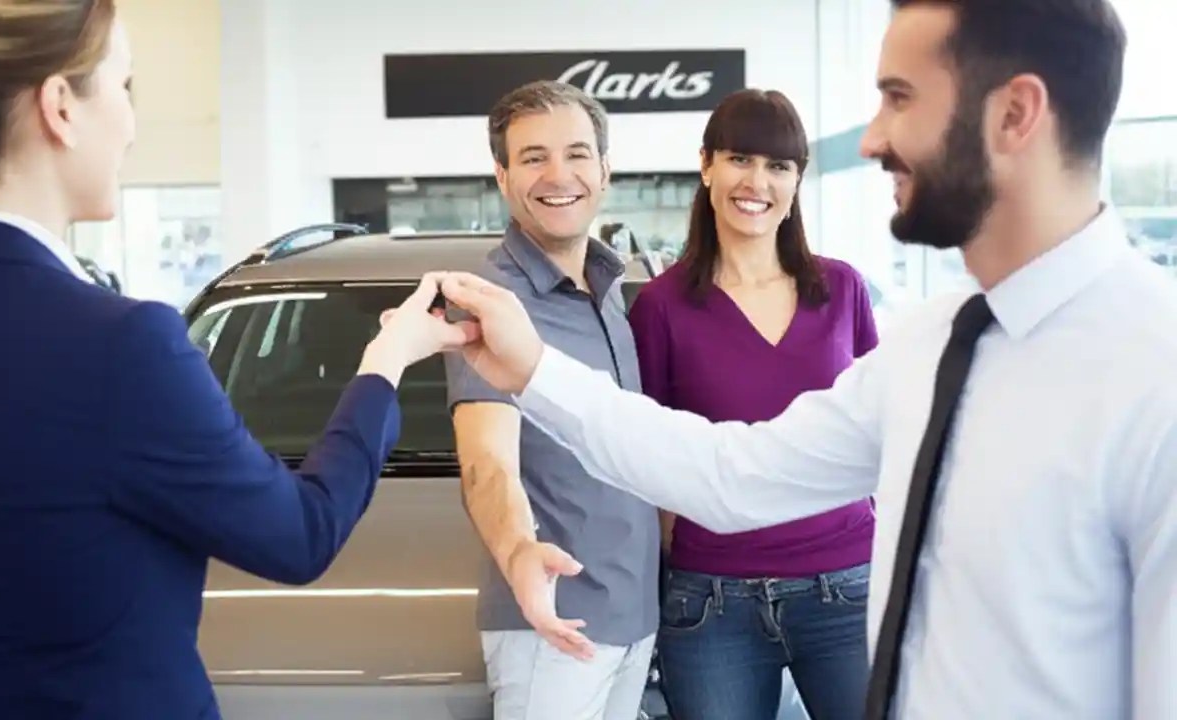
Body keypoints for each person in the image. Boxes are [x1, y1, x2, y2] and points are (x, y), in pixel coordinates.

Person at [437, 1, 1177, 718]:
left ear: (1013, 113)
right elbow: (732, 476)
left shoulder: (1154, 371)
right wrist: (534, 368)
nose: (871, 140)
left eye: (900, 99)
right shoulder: (932, 349)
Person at [0, 3, 470, 719]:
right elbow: (302, 535)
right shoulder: (121, 344)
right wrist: (387, 360)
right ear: (60, 108)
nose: (132, 125)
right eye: (125, 88)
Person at [630, 88, 877, 720]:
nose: (756, 182)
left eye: (778, 166)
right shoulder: (661, 307)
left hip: (846, 585)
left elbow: (881, 425)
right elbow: (650, 459)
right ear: (706, 164)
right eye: (740, 158)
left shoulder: (841, 288)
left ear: (798, 179)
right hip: (713, 603)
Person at [443, 80, 660, 720]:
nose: (558, 174)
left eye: (576, 154)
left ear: (604, 171)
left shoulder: (610, 290)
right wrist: (517, 551)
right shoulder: (491, 298)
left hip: (634, 614)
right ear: (503, 177)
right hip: (554, 621)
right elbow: (487, 461)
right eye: (533, 157)